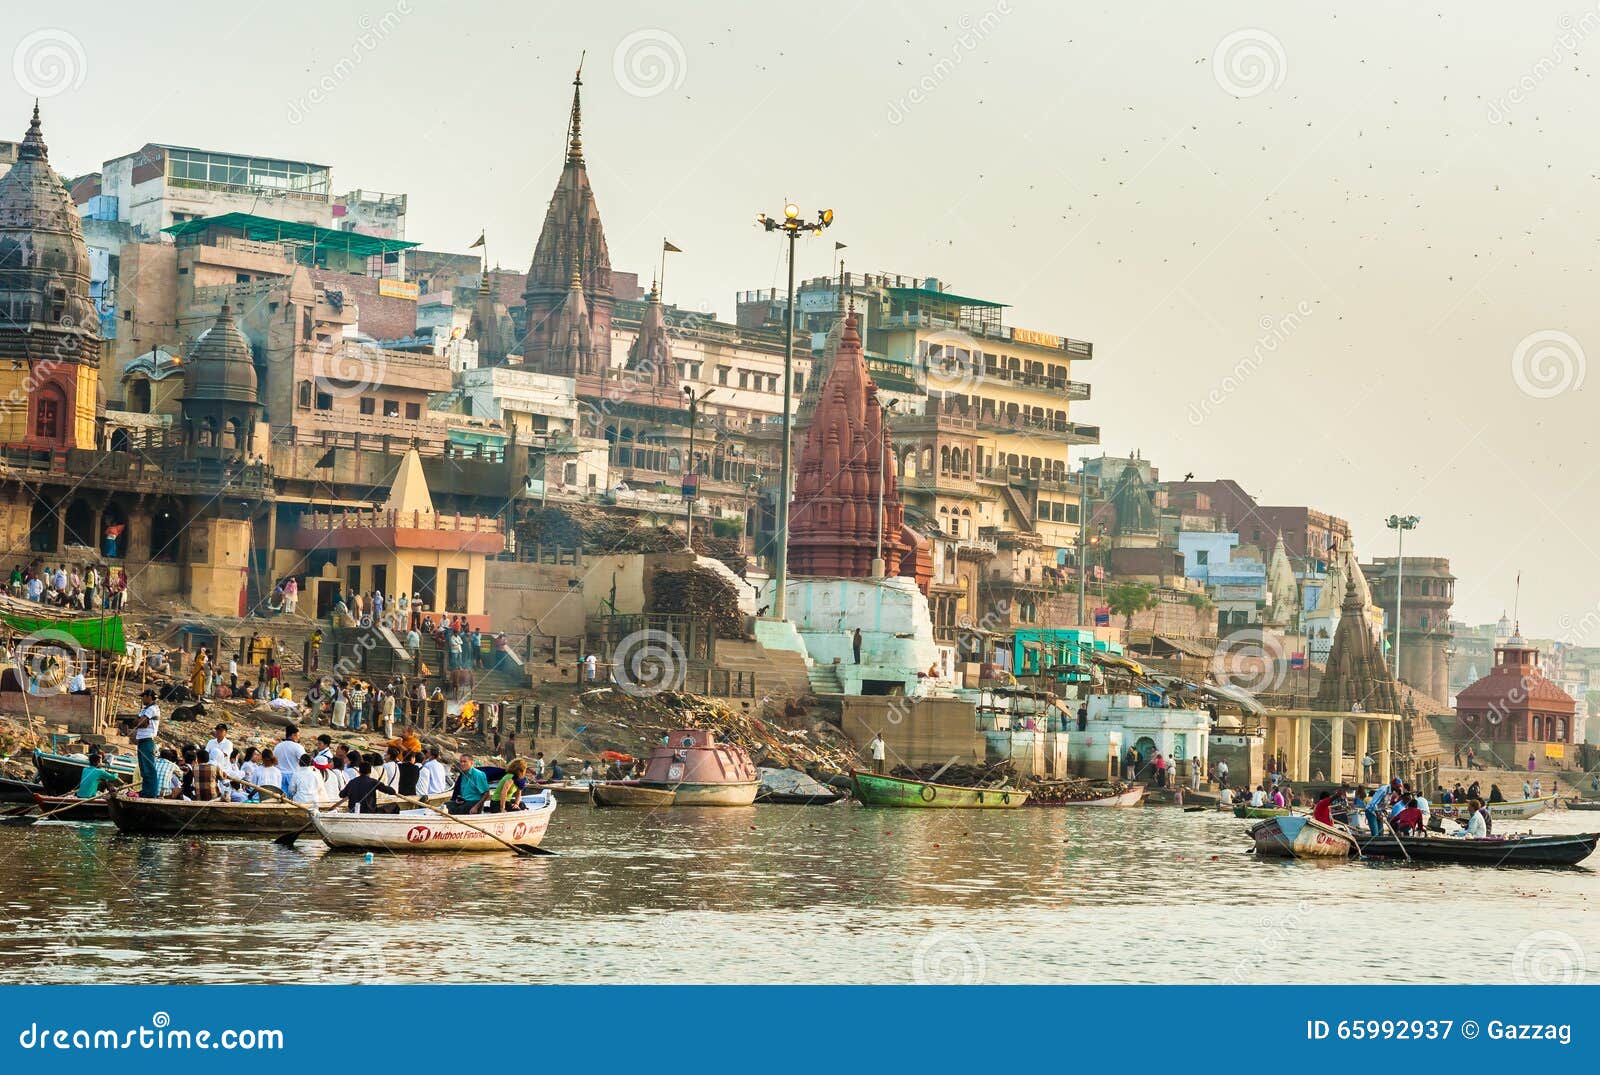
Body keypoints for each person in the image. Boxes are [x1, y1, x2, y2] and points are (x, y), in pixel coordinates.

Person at [134, 689, 161, 797]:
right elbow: (138, 722)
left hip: (147, 740)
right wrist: (140, 722)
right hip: (141, 740)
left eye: (143, 697)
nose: (142, 699)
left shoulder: (152, 708)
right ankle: (146, 791)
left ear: (149, 697)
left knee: (149, 768)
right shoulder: (145, 709)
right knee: (143, 769)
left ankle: (151, 793)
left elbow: (140, 723)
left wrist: (140, 721)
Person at [273, 726, 306, 793]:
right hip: (293, 776)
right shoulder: (298, 747)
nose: (298, 738)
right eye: (298, 735)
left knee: (281, 796)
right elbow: (304, 761)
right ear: (293, 735)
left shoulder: (277, 746)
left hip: (279, 775)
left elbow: (274, 761)